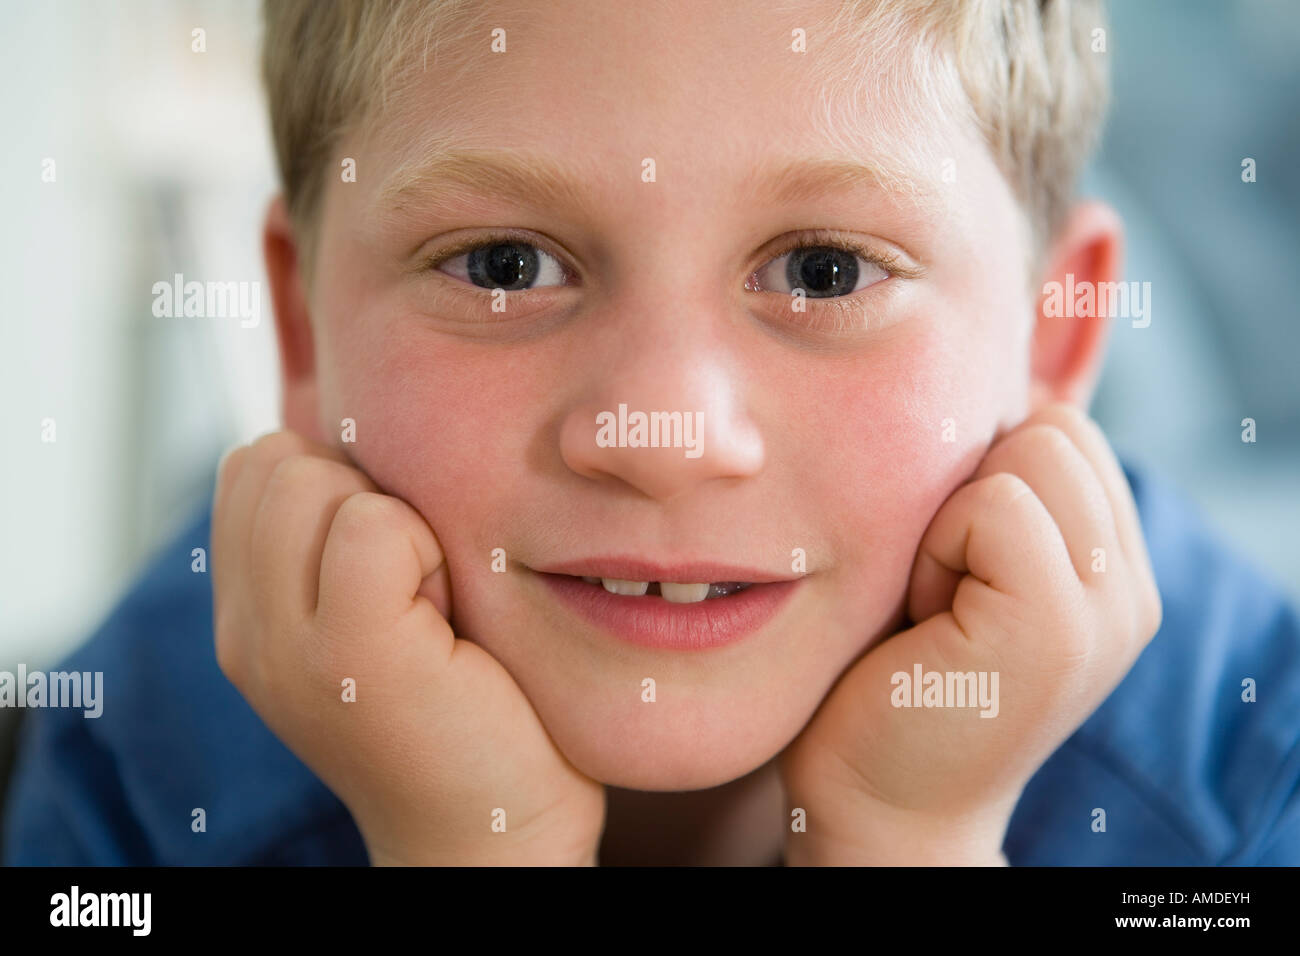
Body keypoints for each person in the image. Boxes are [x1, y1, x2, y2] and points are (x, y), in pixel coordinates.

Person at [5, 0, 1298, 865]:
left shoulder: (1247, 766)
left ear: (1055, 337)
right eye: (505, 264)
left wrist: (917, 844)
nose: (664, 432)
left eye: (829, 273)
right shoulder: (146, 755)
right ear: (301, 331)